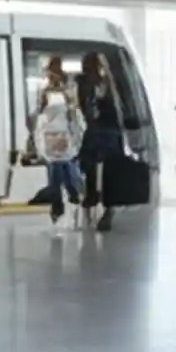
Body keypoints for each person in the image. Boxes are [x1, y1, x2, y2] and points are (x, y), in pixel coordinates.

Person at [77, 52, 125, 232]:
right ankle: (94, 201)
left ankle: (104, 207)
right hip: (98, 131)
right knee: (91, 167)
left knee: (105, 170)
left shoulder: (109, 85)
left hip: (106, 131)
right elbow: (85, 107)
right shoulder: (85, 84)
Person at [35, 57, 82, 223]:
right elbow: (39, 112)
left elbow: (72, 113)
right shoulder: (44, 90)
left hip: (64, 133)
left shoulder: (68, 90)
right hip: (50, 134)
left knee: (61, 166)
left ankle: (67, 197)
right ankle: (65, 199)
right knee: (57, 167)